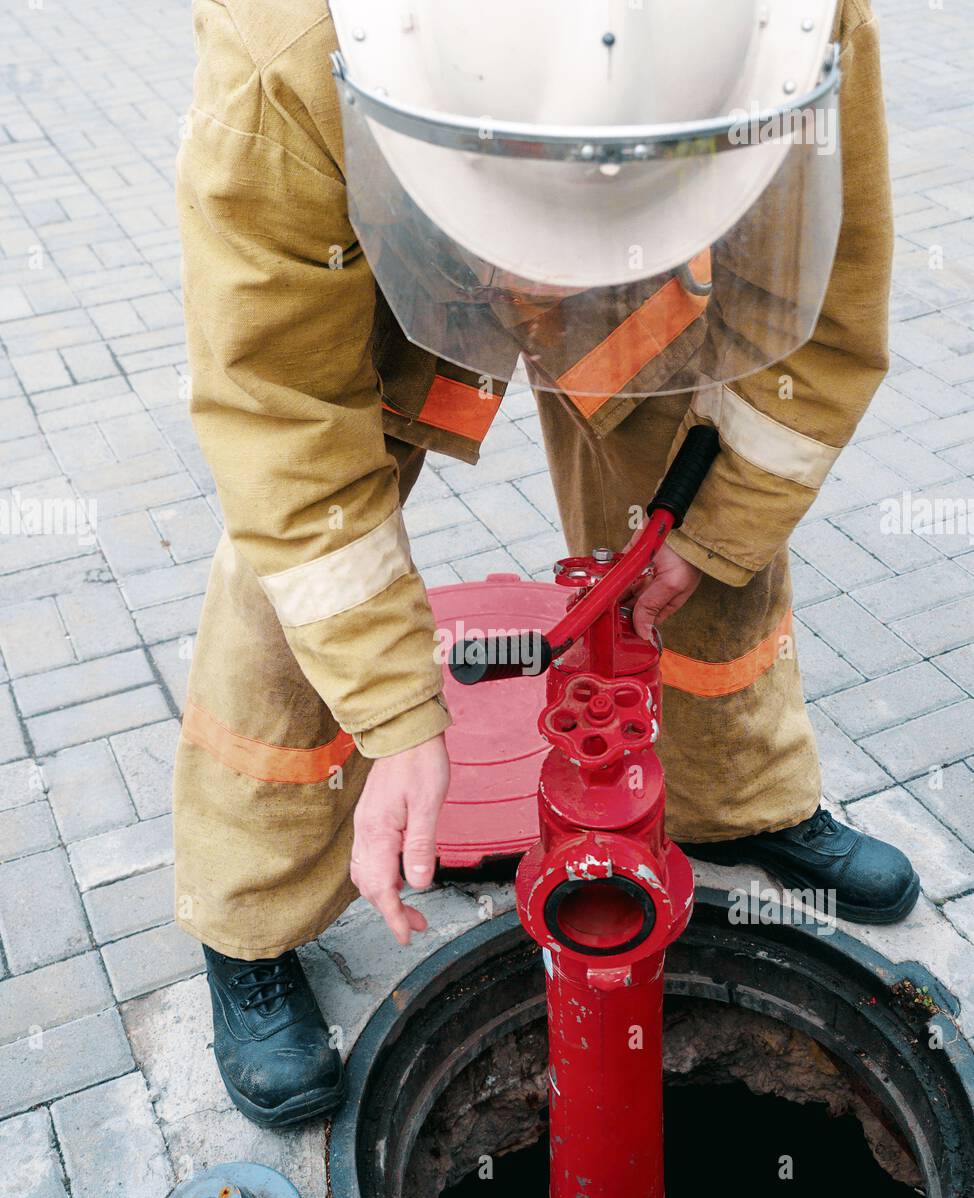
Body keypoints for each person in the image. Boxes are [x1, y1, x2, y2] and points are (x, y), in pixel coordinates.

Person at [174, 0, 918, 1128]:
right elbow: (283, 419)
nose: (545, 289)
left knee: (687, 504)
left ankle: (741, 800)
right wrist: (392, 708)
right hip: (392, 233)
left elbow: (815, 320)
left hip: (657, 237)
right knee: (301, 580)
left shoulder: (790, 26)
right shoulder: (288, 50)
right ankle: (250, 919)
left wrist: (719, 528)